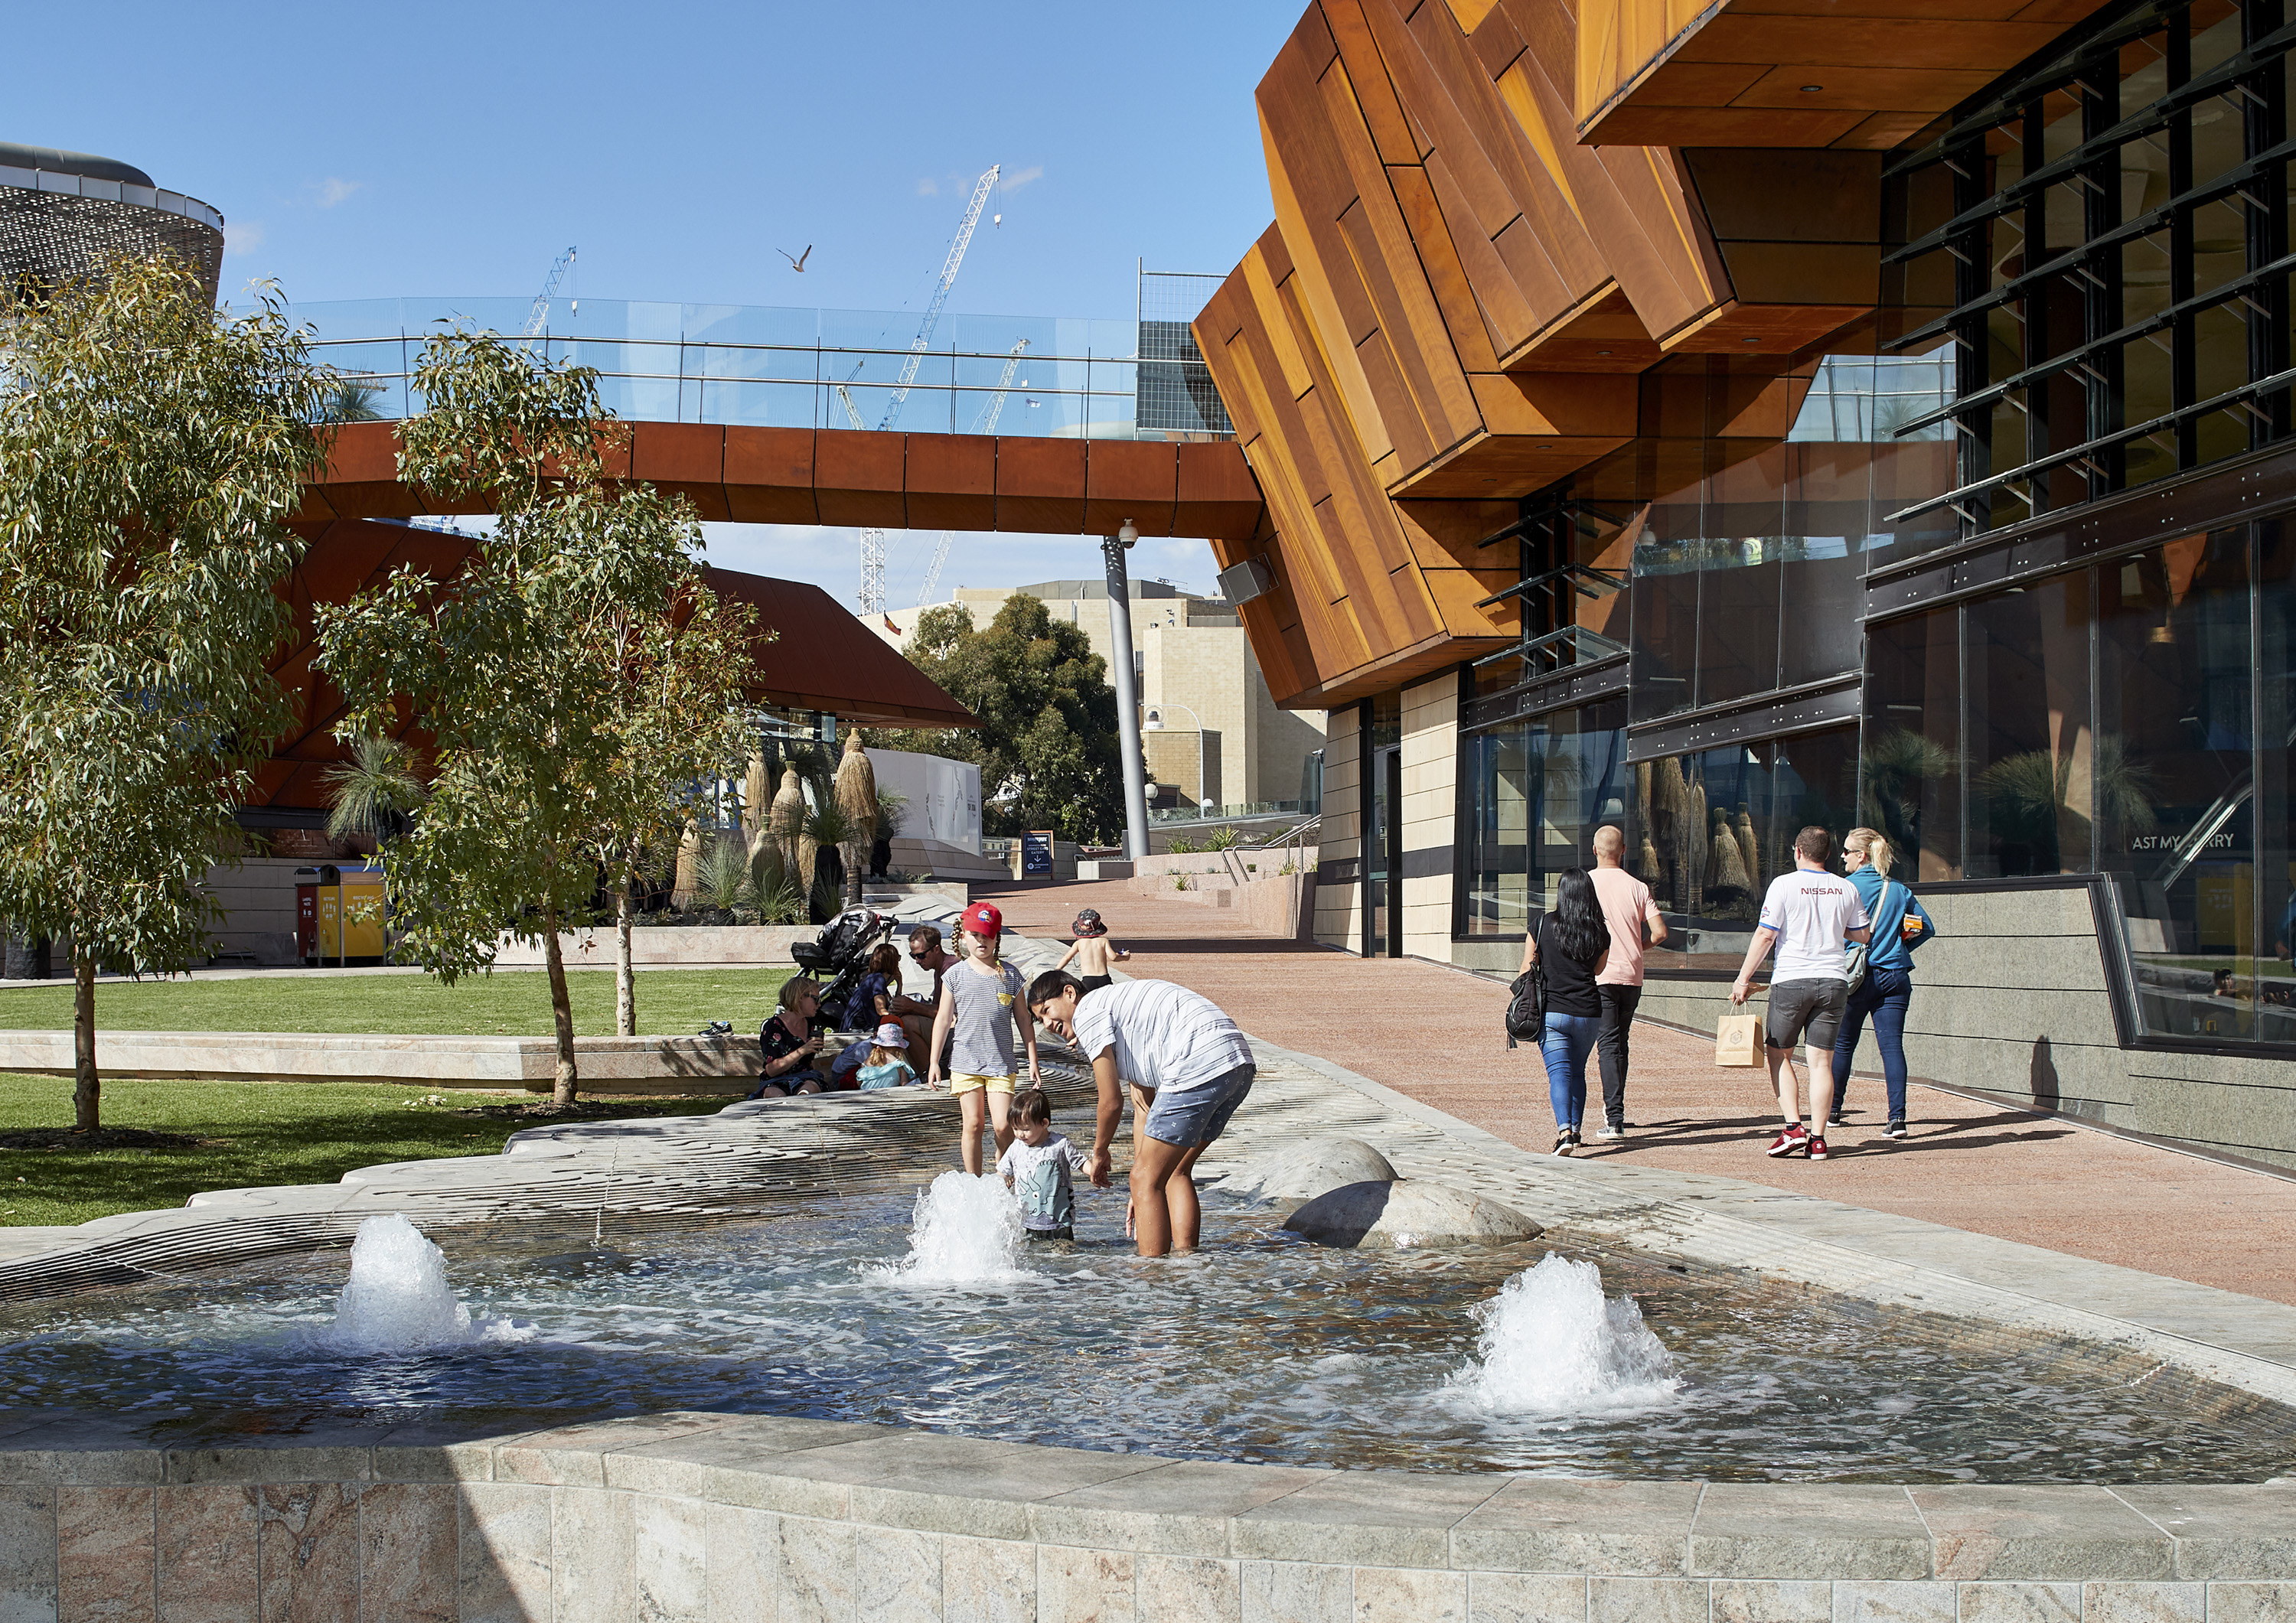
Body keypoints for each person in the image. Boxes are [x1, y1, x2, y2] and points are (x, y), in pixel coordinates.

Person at [1027, 969, 1254, 1258]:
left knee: (1148, 1178)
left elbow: (1110, 1102)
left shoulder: (1088, 1012)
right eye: (1040, 1020)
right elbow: (1143, 1109)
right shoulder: (1123, 1016)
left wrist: (1101, 1155)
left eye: (1047, 1010)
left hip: (1197, 1060)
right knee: (1172, 1171)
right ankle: (1188, 1263)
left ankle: (1150, 1280)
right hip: (1236, 1064)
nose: (1047, 1024)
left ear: (1070, 994)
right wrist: (1144, 1187)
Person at [1730, 826, 1872, 1162]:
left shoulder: (1783, 885)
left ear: (1798, 851)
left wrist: (1743, 978)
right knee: (1821, 1062)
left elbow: (1766, 935)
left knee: (1779, 1053)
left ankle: (1793, 1128)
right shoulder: (1846, 887)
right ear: (1826, 853)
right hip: (1834, 980)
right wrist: (1834, 926)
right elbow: (1864, 935)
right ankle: (1819, 1140)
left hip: (1792, 979)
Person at [1829, 828, 1936, 1141]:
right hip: (1895, 975)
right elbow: (1925, 928)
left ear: (1861, 855)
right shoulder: (1898, 890)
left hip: (1855, 977)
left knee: (1844, 1044)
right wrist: (1900, 947)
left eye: (1847, 852)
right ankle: (1897, 1119)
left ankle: (1833, 1111)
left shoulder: (1845, 888)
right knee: (1892, 1047)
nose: (1843, 857)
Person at [926, 902, 1041, 1174]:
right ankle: (973, 1181)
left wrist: (1033, 1059)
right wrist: (934, 1062)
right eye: (975, 935)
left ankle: (1003, 1171)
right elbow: (943, 1019)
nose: (982, 941)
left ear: (996, 937)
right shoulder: (954, 975)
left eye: (988, 935)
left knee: (1003, 1124)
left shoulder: (1011, 976)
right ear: (964, 936)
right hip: (965, 1062)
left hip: (1000, 1063)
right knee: (974, 1124)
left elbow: (1024, 1020)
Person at [1521, 869, 1609, 1156]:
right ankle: (1577, 1129)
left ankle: (1564, 1134)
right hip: (1588, 1011)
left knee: (1559, 1073)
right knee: (1577, 1072)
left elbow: (1525, 968)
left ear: (1561, 893)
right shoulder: (1599, 930)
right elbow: (1599, 969)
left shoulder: (1542, 924)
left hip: (1552, 1012)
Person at [1587, 826, 1667, 1141]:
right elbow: (1660, 933)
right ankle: (1616, 1110)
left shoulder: (1585, 884)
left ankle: (1614, 1118)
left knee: (1607, 1045)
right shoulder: (1638, 886)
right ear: (1624, 850)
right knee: (1620, 1042)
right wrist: (1637, 946)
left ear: (1594, 851)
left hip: (1600, 973)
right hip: (1632, 975)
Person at [996, 1087, 1090, 1240]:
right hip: (1027, 1222)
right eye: (1015, 1128)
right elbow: (1002, 1174)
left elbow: (1081, 1163)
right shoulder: (1015, 1147)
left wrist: (1095, 1172)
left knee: (1064, 1257)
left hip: (1059, 1221)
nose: (1020, 1134)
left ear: (1044, 1123)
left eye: (1026, 1129)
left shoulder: (1060, 1144)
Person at [750, 976, 829, 1099]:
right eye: (816, 999)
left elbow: (810, 1063)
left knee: (808, 1090)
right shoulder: (773, 1027)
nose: (819, 1004)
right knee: (775, 1095)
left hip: (807, 1078)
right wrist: (802, 1051)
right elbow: (771, 1070)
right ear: (800, 998)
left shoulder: (811, 1024)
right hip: (776, 1081)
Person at [1054, 909, 1130, 993]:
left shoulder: (1079, 943)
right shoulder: (1103, 941)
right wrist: (1125, 957)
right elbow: (1113, 957)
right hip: (1104, 978)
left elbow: (1067, 958)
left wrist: (1057, 970)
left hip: (1088, 979)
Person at [843, 942, 904, 1032]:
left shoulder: (875, 979)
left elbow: (892, 1006)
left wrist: (899, 984)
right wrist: (897, 1021)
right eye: (897, 959)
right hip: (859, 1029)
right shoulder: (878, 979)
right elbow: (881, 1010)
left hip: (860, 1026)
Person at [856, 1021, 919, 1090]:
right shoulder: (899, 1067)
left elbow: (859, 1082)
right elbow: (905, 1086)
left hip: (866, 1097)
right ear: (899, 1049)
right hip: (890, 1098)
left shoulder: (866, 1063)